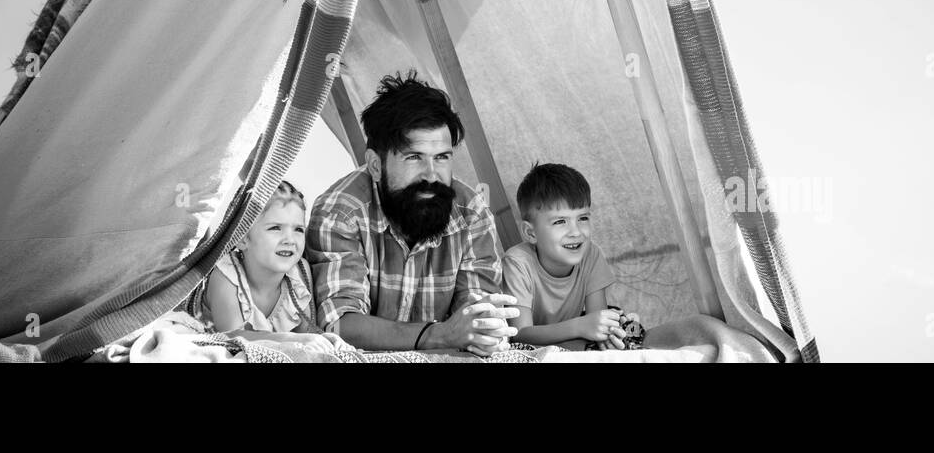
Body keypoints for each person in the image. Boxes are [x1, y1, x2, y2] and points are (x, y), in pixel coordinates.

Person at [306, 72, 517, 355]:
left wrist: (485, 332)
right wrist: (439, 335)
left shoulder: (471, 214)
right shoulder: (340, 212)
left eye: (441, 157)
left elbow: (479, 317)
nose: (432, 175)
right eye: (414, 157)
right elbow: (340, 325)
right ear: (375, 165)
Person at [502, 162, 640, 350]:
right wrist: (579, 326)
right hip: (531, 350)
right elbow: (520, 335)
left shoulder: (591, 255)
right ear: (530, 233)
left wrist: (614, 328)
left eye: (583, 218)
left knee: (628, 329)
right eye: (560, 222)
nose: (576, 232)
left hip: (572, 340)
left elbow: (596, 322)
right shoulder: (517, 263)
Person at [195, 180, 320, 333]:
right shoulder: (225, 276)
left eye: (298, 229)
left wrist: (326, 341)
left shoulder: (299, 272)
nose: (290, 240)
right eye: (275, 228)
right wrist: (297, 341)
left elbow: (308, 334)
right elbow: (235, 339)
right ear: (242, 238)